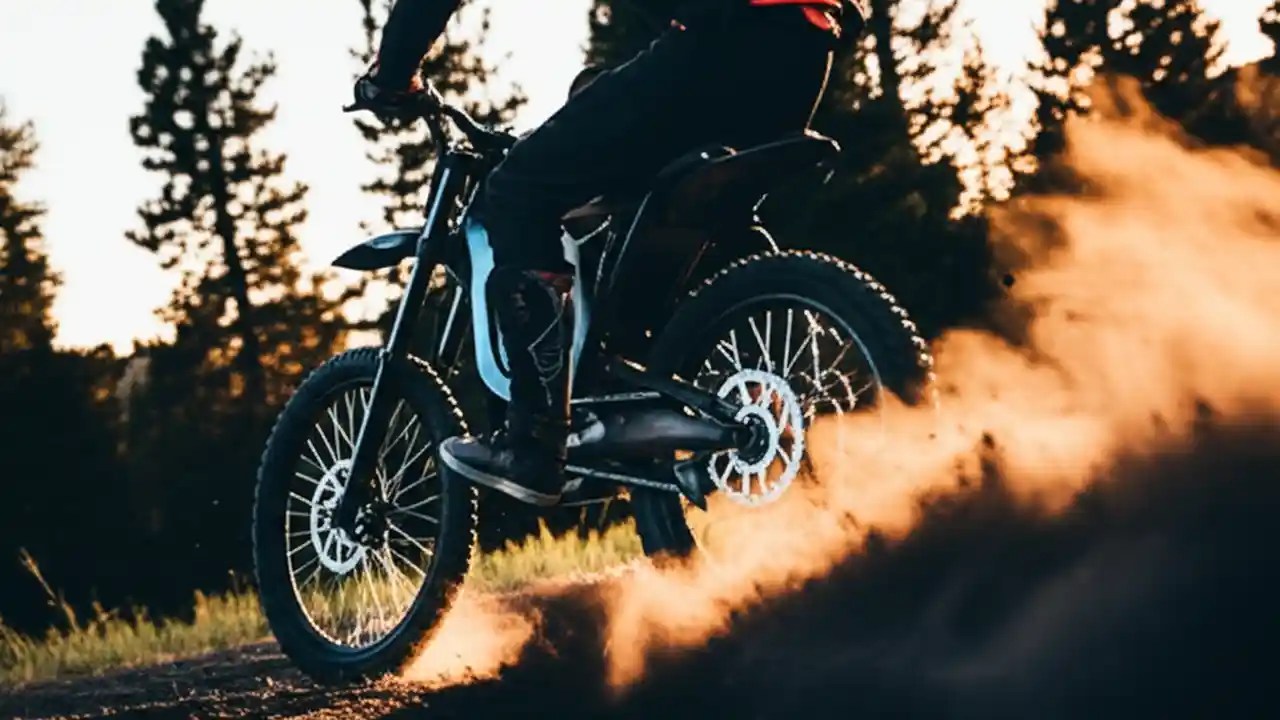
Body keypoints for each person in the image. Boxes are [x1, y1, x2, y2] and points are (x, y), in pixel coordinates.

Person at [354, 0, 868, 507]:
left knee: (517, 191)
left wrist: (394, 74)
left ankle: (535, 443)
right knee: (672, 206)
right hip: (806, 54)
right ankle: (649, 393)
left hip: (721, 43)